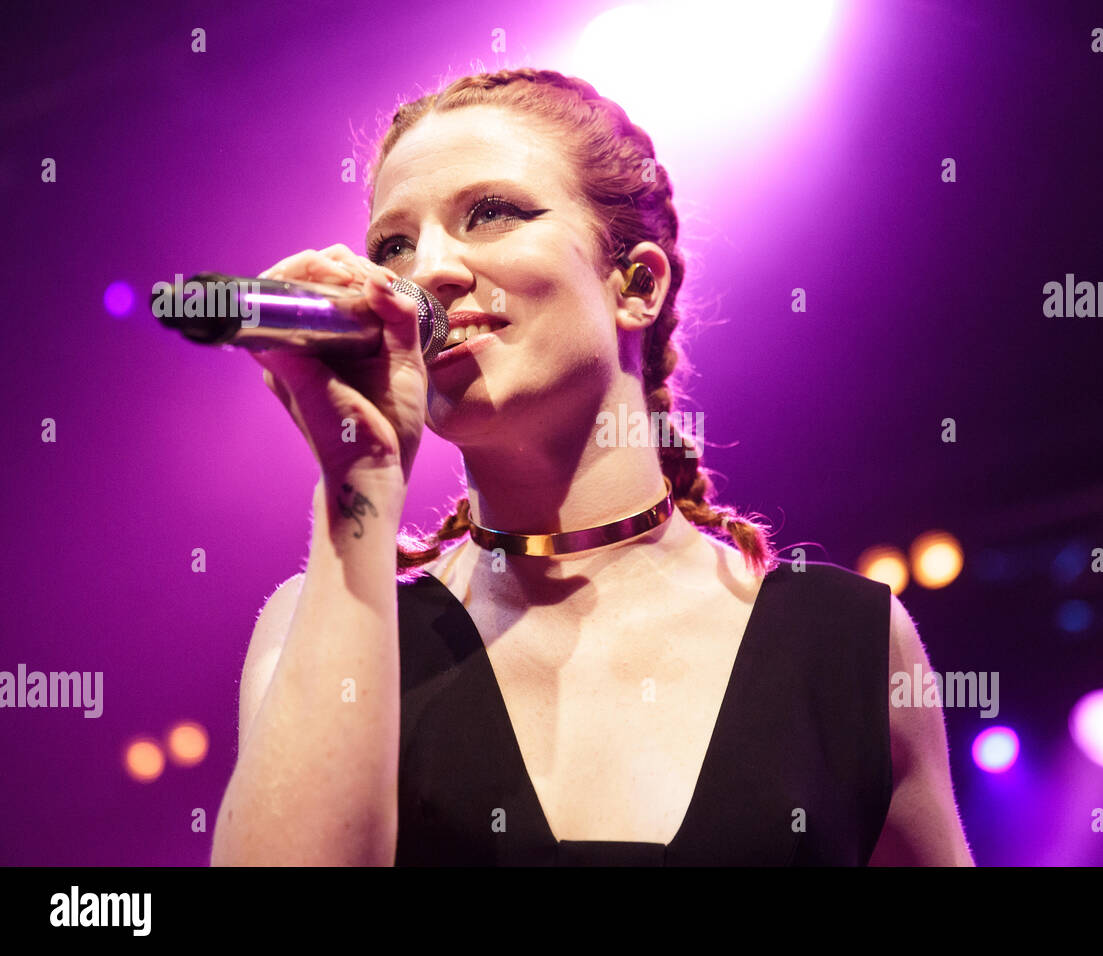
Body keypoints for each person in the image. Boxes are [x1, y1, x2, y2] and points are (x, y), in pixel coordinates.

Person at [210, 68, 973, 866]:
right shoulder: (331, 618)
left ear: (636, 284)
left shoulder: (847, 645)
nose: (427, 270)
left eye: (491, 213)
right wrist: (359, 479)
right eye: (394, 245)